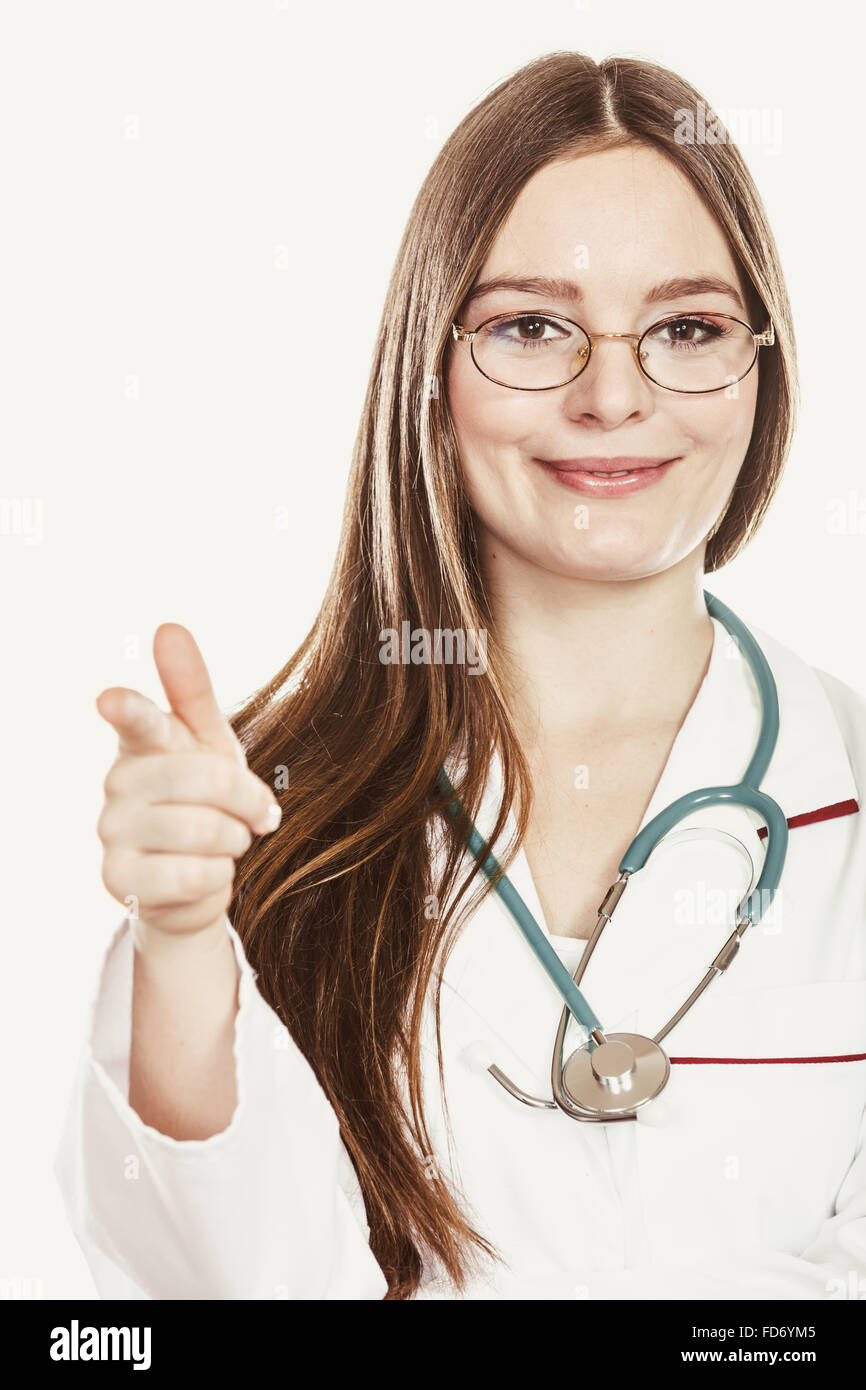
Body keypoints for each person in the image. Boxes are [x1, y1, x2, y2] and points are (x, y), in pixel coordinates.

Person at [55, 50, 866, 1301]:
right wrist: (181, 942)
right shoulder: (270, 807)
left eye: (686, 328)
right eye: (531, 327)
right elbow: (213, 1283)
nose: (612, 396)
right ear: (429, 373)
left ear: (760, 366)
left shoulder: (847, 775)